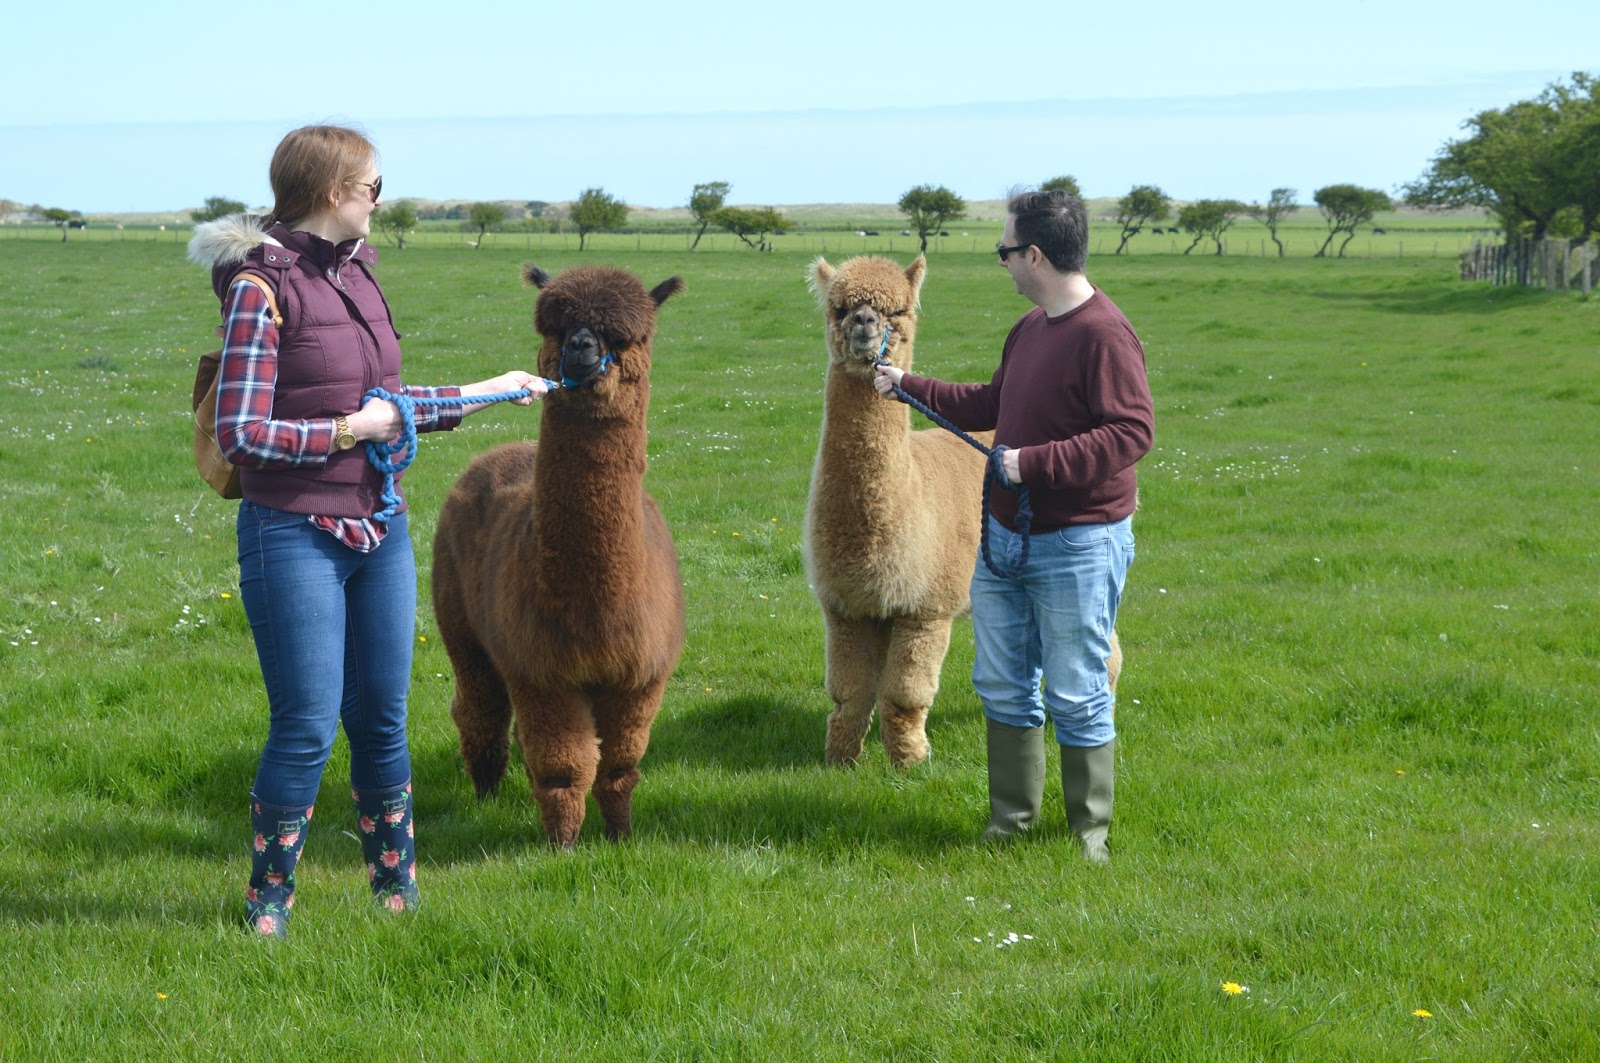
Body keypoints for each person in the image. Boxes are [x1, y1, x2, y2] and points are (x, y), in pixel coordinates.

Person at [188, 124, 547, 937]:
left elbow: (391, 402)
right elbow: (244, 432)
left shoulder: (357, 275)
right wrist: (349, 430)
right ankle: (267, 904)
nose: (381, 201)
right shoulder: (259, 288)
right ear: (332, 192)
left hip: (379, 526)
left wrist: (492, 388)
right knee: (308, 722)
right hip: (292, 532)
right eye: (375, 187)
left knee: (382, 716)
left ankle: (396, 891)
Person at [874, 188, 1153, 864]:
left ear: (1034, 254)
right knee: (1002, 683)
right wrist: (905, 384)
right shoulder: (1031, 329)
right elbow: (992, 401)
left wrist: (1033, 463)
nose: (1001, 262)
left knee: (1077, 689)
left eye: (1004, 250)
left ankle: (1089, 835)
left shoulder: (1104, 333)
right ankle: (1012, 822)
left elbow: (1132, 432)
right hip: (1003, 541)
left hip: (1077, 541)